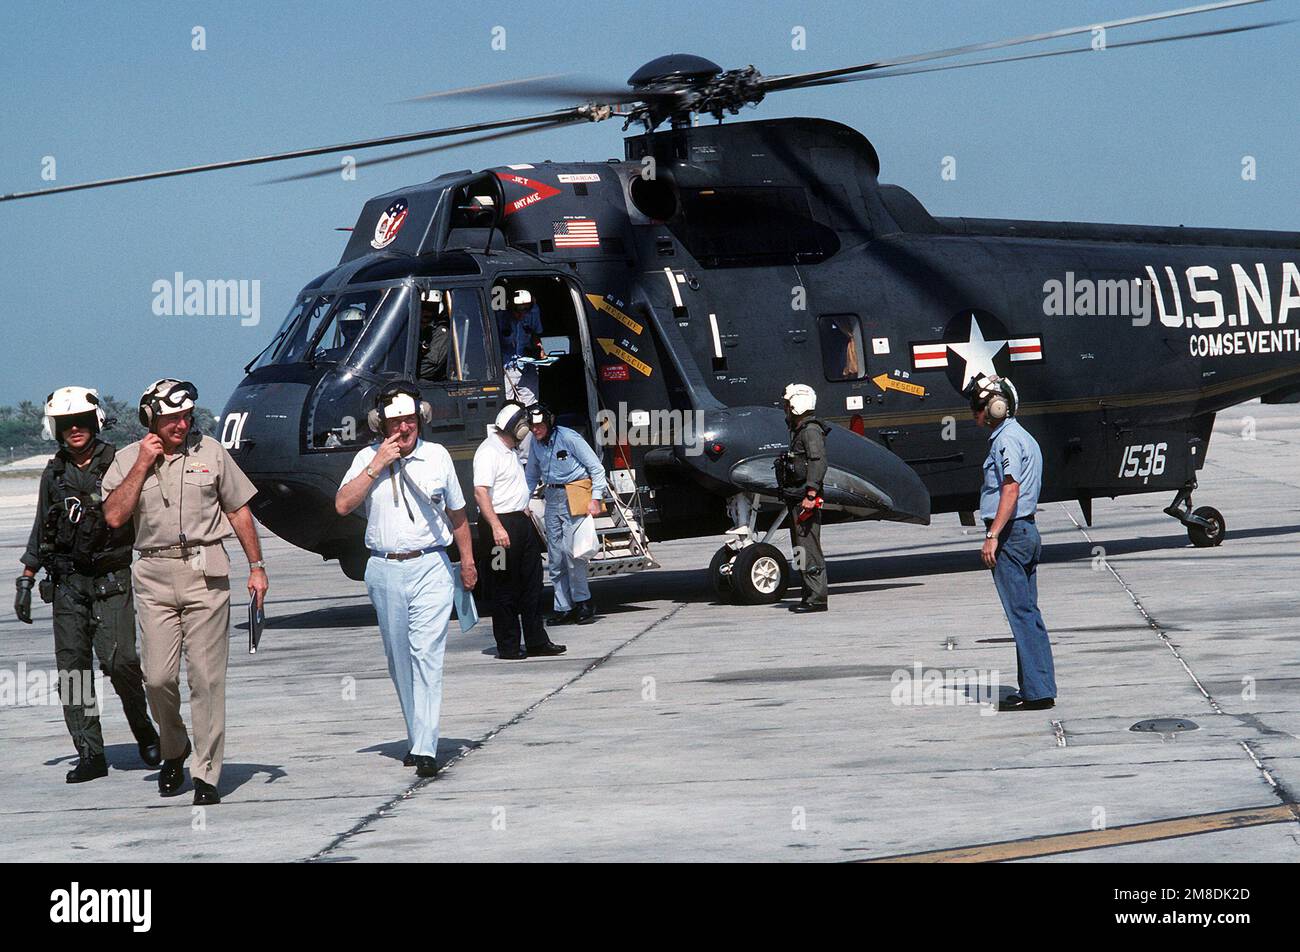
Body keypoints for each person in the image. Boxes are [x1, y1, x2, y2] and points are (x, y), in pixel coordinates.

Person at [102, 379, 268, 805]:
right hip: (154, 575)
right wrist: (142, 463)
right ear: (150, 419)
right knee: (157, 678)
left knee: (207, 679)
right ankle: (174, 750)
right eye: (172, 417)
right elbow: (116, 516)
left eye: (186, 416)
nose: (181, 424)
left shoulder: (211, 453)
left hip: (206, 570)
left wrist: (257, 567)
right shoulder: (126, 460)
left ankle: (207, 774)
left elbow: (238, 509)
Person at [16, 386, 160, 784]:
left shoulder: (119, 462)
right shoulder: (54, 473)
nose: (75, 429)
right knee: (74, 671)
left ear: (95, 422)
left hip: (111, 579)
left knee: (121, 662)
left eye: (81, 421)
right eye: (66, 423)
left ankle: (144, 730)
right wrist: (27, 578)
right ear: (56, 429)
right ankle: (90, 753)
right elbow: (41, 525)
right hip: (67, 584)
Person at [335, 380, 478, 778]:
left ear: (421, 419)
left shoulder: (438, 458)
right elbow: (343, 504)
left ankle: (427, 746)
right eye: (396, 422)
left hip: (430, 565)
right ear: (381, 424)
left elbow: (459, 514)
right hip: (383, 568)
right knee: (399, 659)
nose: (404, 429)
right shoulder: (367, 458)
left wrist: (467, 561)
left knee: (426, 655)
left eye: (411, 420)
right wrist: (376, 465)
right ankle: (416, 735)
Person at [969, 374, 1057, 712]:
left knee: (1021, 615)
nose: (975, 415)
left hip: (1011, 534)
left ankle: (1038, 693)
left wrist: (993, 535)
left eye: (979, 408)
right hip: (1027, 531)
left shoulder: (1005, 441)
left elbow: (1011, 489)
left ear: (995, 408)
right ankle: (1035, 687)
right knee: (1028, 614)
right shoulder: (1024, 437)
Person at [473, 403, 565, 660]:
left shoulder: (509, 450)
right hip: (498, 528)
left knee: (533, 583)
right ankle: (508, 645)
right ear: (516, 426)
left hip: (520, 522)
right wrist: (497, 527)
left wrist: (522, 508)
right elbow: (480, 493)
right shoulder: (488, 451)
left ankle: (536, 640)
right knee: (504, 587)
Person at [524, 404, 606, 625]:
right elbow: (531, 474)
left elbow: (596, 468)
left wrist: (595, 498)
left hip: (574, 495)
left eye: (539, 425)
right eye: (532, 426)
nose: (535, 430)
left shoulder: (569, 438)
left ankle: (584, 602)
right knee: (556, 556)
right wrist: (522, 501)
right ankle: (563, 606)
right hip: (551, 496)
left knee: (574, 554)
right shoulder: (535, 442)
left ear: (549, 423)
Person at [779, 383, 830, 613]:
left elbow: (818, 463)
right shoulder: (801, 431)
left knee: (808, 548)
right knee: (800, 549)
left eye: (788, 405)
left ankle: (817, 598)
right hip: (797, 498)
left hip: (805, 500)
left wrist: (811, 493)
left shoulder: (810, 431)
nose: (785, 410)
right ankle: (808, 593)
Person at [499, 289, 544, 404]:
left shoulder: (533, 312)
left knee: (531, 404)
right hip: (506, 367)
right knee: (506, 404)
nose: (523, 313)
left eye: (526, 308)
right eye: (519, 309)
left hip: (527, 365)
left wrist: (540, 348)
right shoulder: (501, 317)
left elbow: (536, 333)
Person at [417, 289, 451, 383]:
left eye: (431, 307)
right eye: (423, 306)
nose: (426, 312)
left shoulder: (441, 333)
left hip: (426, 383)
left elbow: (430, 368)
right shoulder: (410, 328)